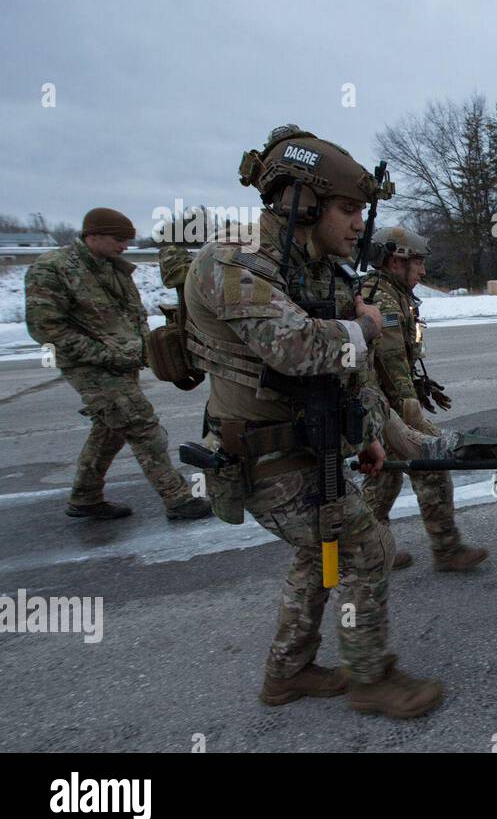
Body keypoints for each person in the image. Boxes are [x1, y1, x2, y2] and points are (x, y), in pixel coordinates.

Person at [184, 125, 443, 717]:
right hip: (260, 454)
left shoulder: (317, 266)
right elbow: (297, 348)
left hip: (308, 447)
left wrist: (371, 436)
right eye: (348, 209)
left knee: (318, 553)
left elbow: (347, 374)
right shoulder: (237, 256)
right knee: (367, 547)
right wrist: (367, 327)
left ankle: (288, 672)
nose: (359, 225)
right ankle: (372, 679)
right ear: (302, 201)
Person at [24, 208, 211, 521]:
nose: (125, 245)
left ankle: (85, 497)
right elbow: (45, 327)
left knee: (110, 430)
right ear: (93, 235)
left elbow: (131, 316)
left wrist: (141, 350)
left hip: (123, 364)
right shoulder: (54, 268)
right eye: (118, 239)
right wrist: (106, 354)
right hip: (89, 367)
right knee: (143, 427)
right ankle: (179, 499)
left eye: (127, 240)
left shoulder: (114, 269)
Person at [358, 227, 488, 572]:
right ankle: (446, 550)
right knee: (431, 463)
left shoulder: (392, 293)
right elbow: (389, 361)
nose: (423, 271)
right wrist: (408, 408)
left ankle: (370, 553)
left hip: (383, 405)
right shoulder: (381, 298)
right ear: (394, 260)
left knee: (384, 477)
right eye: (417, 262)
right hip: (384, 406)